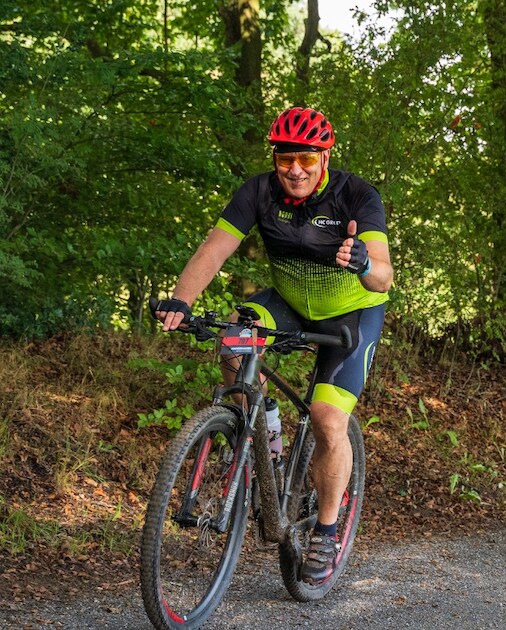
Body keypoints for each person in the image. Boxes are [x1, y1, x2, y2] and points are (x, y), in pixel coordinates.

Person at [153, 106, 393, 584]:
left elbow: (383, 278)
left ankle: (325, 532)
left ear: (325, 156)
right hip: (287, 302)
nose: (295, 169)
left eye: (306, 158)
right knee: (233, 343)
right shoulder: (259, 191)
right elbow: (213, 250)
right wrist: (182, 300)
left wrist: (363, 261)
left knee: (327, 419)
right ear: (276, 158)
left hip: (352, 312)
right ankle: (269, 441)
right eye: (286, 158)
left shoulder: (357, 196)